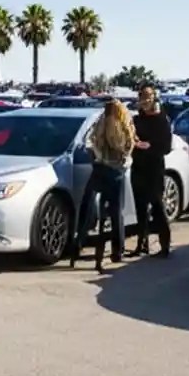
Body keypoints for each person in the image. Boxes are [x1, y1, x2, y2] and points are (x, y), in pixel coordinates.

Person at [79, 99, 136, 270]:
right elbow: (125, 147)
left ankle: (80, 241)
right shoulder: (123, 124)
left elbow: (89, 140)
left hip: (100, 168)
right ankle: (117, 251)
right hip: (116, 171)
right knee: (116, 211)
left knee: (89, 205)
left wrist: (98, 155)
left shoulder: (101, 123)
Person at [130, 86, 173, 258]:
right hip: (138, 167)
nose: (145, 100)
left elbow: (166, 147)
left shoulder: (162, 120)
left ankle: (165, 246)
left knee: (157, 207)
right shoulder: (136, 119)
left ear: (154, 98)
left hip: (154, 168)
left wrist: (150, 146)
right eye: (142, 96)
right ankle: (142, 244)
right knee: (140, 208)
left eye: (148, 96)